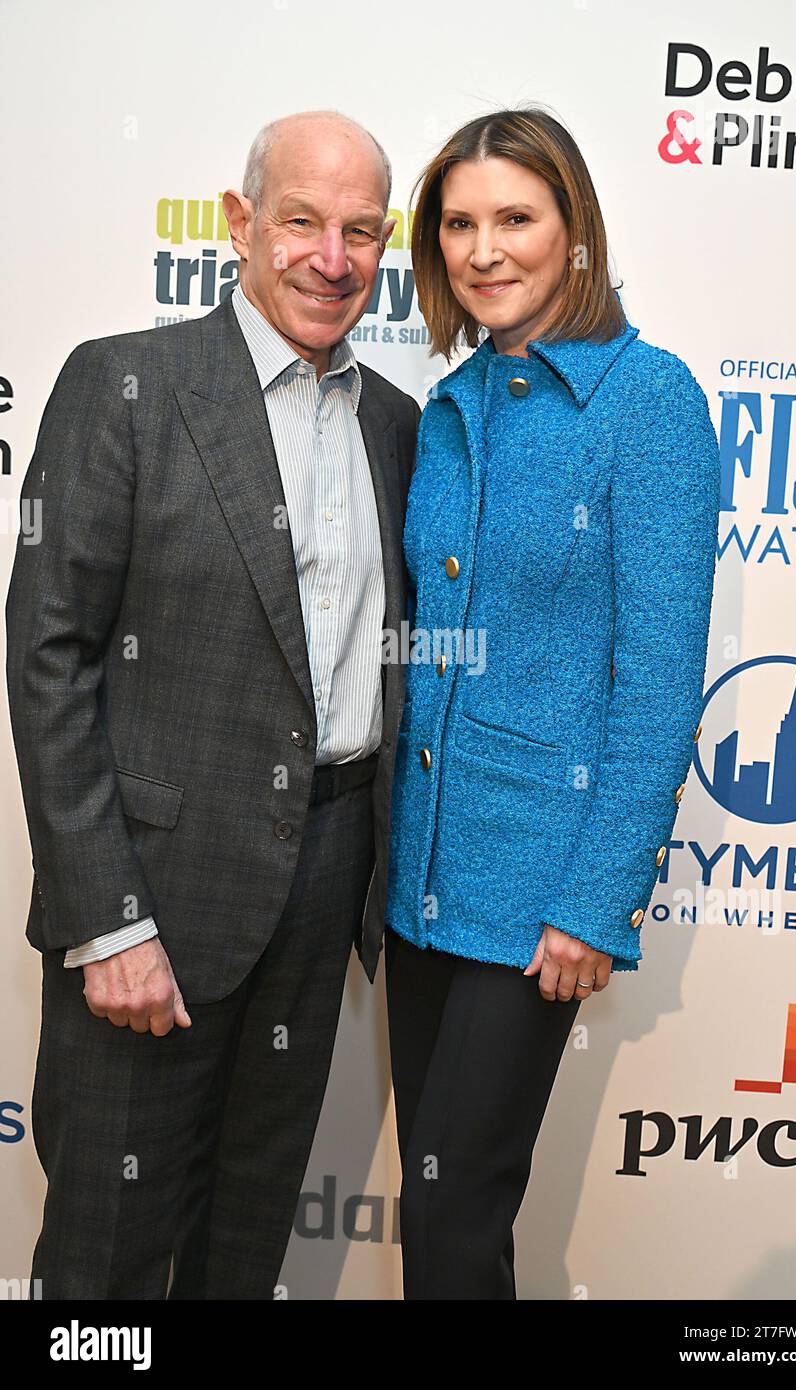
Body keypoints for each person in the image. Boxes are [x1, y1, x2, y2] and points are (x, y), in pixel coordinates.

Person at [5, 109, 420, 1299]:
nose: (329, 259)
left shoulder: (394, 425)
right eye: (300, 221)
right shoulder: (127, 384)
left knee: (243, 1253)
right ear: (241, 224)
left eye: (357, 231)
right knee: (104, 1263)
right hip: (155, 904)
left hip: (323, 887)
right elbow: (49, 657)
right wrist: (108, 922)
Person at [384, 106, 721, 1299]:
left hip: (539, 892)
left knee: (453, 1207)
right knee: (441, 1213)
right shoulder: (454, 404)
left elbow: (659, 682)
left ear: (574, 229)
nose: (485, 250)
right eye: (461, 223)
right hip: (418, 886)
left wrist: (594, 902)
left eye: (515, 218)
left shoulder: (650, 401)